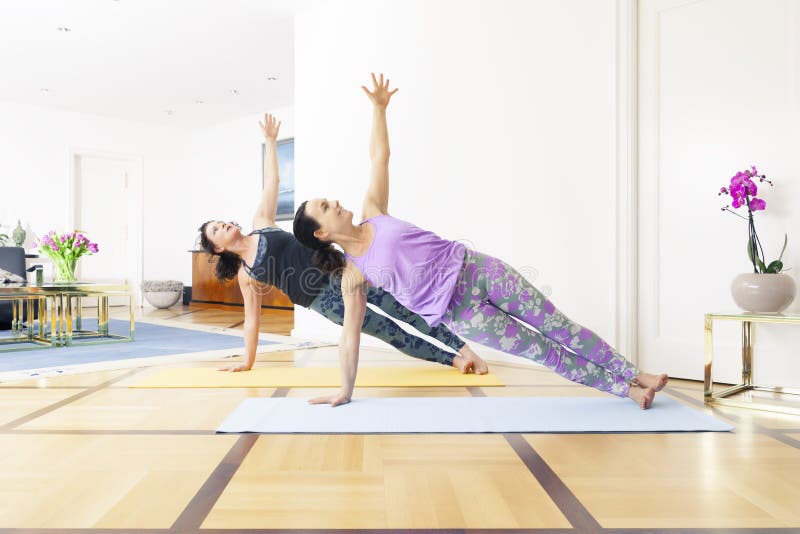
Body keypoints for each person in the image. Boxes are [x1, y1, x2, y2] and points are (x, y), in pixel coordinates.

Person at [293, 73, 668, 409]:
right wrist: (345, 389)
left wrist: (379, 109)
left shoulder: (373, 210)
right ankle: (629, 391)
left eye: (330, 199)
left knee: (561, 327)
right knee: (548, 354)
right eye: (325, 207)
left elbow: (380, 158)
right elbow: (349, 338)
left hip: (478, 270)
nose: (335, 202)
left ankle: (637, 374)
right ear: (321, 233)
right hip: (464, 315)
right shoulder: (354, 275)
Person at [198, 112, 486, 375]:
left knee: (406, 310)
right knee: (389, 331)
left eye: (220, 222)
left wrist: (271, 142)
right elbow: (252, 320)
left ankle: (465, 349)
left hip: (343, 271)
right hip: (322, 301)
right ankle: (453, 360)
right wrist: (247, 362)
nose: (222, 225)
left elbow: (272, 181)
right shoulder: (246, 275)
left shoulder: (261, 222)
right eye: (215, 230)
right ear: (218, 248)